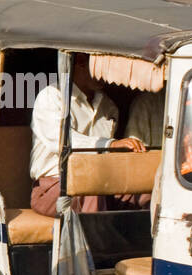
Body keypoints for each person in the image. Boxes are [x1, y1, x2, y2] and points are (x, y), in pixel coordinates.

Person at [29, 54, 146, 217]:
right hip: (54, 186)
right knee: (92, 188)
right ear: (80, 64)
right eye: (101, 66)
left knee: (142, 189)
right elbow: (62, 142)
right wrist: (109, 145)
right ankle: (97, 243)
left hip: (100, 180)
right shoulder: (51, 96)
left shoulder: (108, 106)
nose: (106, 73)